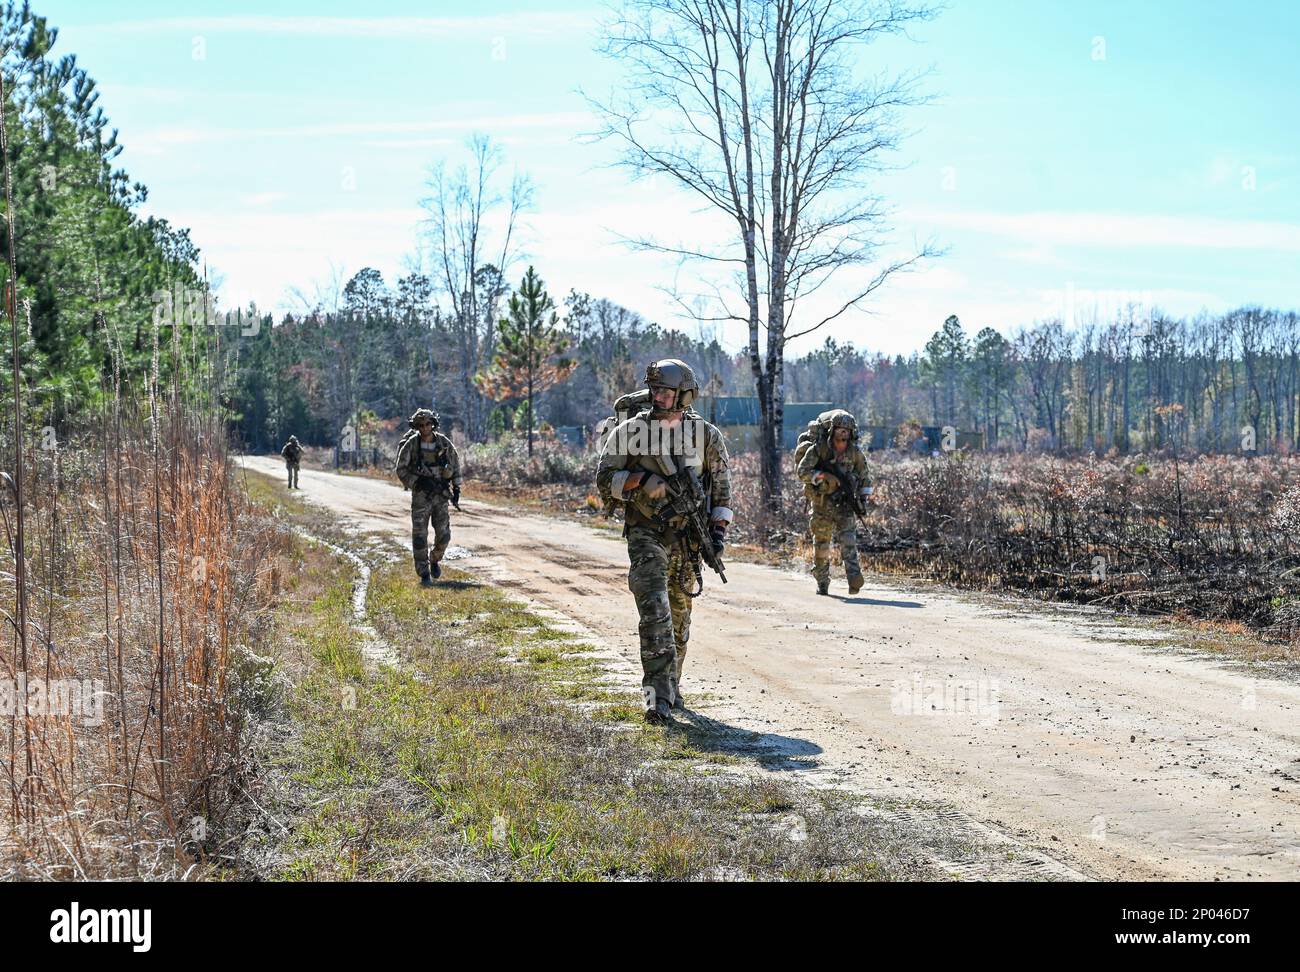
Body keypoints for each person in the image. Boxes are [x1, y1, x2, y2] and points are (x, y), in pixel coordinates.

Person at [596, 359, 733, 724]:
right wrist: (639, 481)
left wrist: (717, 535)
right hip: (646, 532)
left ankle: (671, 686)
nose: (659, 396)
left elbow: (721, 490)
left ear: (683, 394)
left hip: (687, 537)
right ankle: (656, 698)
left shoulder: (706, 436)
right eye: (655, 389)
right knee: (654, 609)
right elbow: (604, 478)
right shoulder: (630, 432)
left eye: (666, 391)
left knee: (678, 620)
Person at [796, 409, 872, 596]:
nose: (843, 435)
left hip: (845, 504)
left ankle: (854, 580)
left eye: (847, 432)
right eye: (840, 430)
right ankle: (822, 581)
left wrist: (862, 500)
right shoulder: (819, 449)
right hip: (822, 503)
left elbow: (865, 478)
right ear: (832, 430)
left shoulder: (855, 453)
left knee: (849, 543)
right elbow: (802, 471)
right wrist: (823, 476)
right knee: (821, 545)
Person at [394, 408, 461, 587]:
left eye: (428, 424)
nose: (425, 428)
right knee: (419, 536)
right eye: (421, 425)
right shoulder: (412, 445)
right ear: (416, 427)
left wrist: (457, 487)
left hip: (440, 496)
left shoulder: (443, 443)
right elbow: (400, 468)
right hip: (421, 497)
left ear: (433, 424)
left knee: (444, 535)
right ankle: (424, 573)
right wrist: (417, 482)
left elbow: (455, 465)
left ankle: (435, 559)